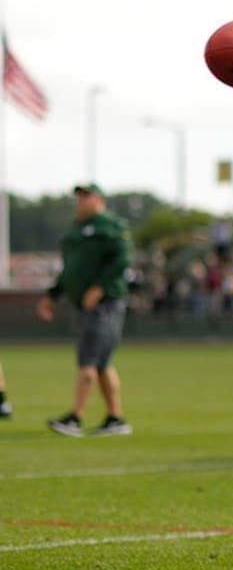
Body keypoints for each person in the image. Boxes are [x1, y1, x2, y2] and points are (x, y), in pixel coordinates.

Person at [37, 184, 133, 437]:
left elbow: (122, 260)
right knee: (102, 362)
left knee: (88, 358)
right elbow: (70, 270)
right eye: (78, 196)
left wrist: (100, 287)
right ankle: (116, 418)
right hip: (86, 304)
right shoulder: (75, 230)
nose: (80, 200)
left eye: (85, 196)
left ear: (98, 199)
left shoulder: (111, 226)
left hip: (105, 302)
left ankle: (76, 417)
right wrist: (52, 295)